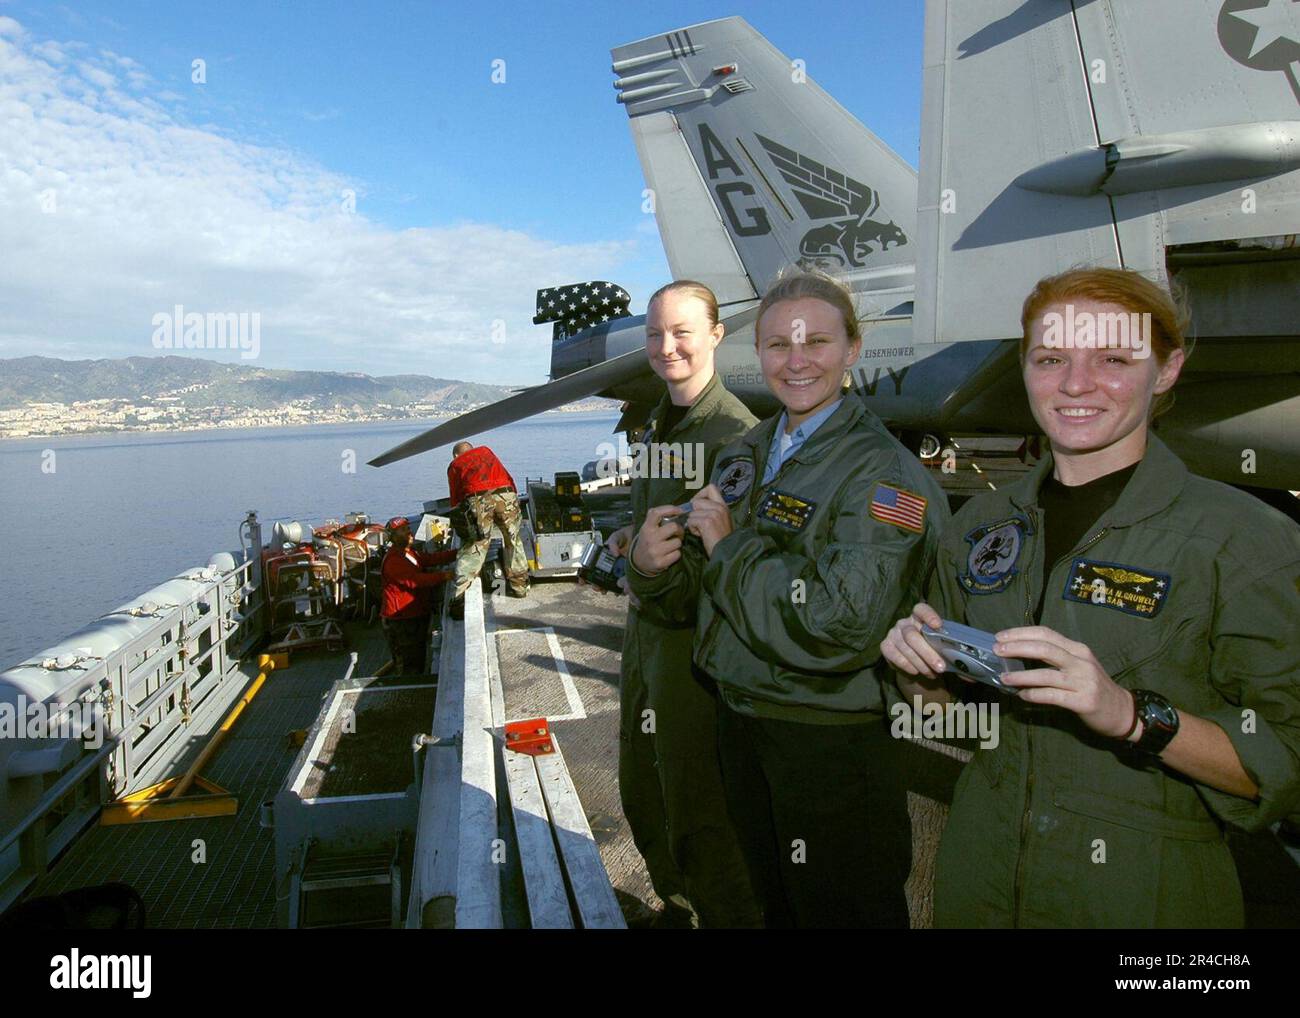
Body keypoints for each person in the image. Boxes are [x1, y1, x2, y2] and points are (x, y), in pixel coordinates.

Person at [881, 266, 1300, 928]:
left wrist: (1134, 716)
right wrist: (922, 679)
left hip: (1142, 895)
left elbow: (1286, 763)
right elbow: (953, 717)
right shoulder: (980, 530)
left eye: (1112, 358)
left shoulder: (1243, 542)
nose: (1076, 383)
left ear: (1165, 370)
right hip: (982, 876)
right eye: (1052, 359)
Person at [628, 268, 948, 928]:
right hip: (741, 727)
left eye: (816, 342)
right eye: (778, 345)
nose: (796, 361)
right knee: (770, 908)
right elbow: (702, 595)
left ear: (852, 349)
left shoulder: (887, 477)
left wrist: (728, 546)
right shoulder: (746, 452)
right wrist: (651, 569)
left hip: (828, 744)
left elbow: (839, 624)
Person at [599, 280, 761, 928]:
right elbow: (655, 524)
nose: (667, 347)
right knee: (644, 795)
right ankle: (681, 905)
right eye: (655, 334)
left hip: (694, 655)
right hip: (645, 647)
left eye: (683, 332)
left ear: (717, 336)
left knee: (702, 814)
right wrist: (628, 538)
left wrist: (640, 569)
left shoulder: (735, 438)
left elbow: (714, 581)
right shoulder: (662, 424)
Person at [447, 441, 529, 611]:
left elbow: (455, 498)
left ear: (456, 455)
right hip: (507, 494)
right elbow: (509, 478)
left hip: (478, 499)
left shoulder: (455, 464)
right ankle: (519, 587)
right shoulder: (486, 451)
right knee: (513, 540)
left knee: (476, 544)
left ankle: (460, 596)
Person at [380, 516, 457, 675]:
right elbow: (414, 581)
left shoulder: (409, 553)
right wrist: (444, 576)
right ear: (393, 537)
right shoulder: (394, 560)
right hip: (402, 621)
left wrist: (457, 553)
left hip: (414, 617)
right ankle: (407, 694)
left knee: (418, 655)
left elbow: (429, 559)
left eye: (408, 528)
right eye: (403, 530)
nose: (409, 532)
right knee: (410, 662)